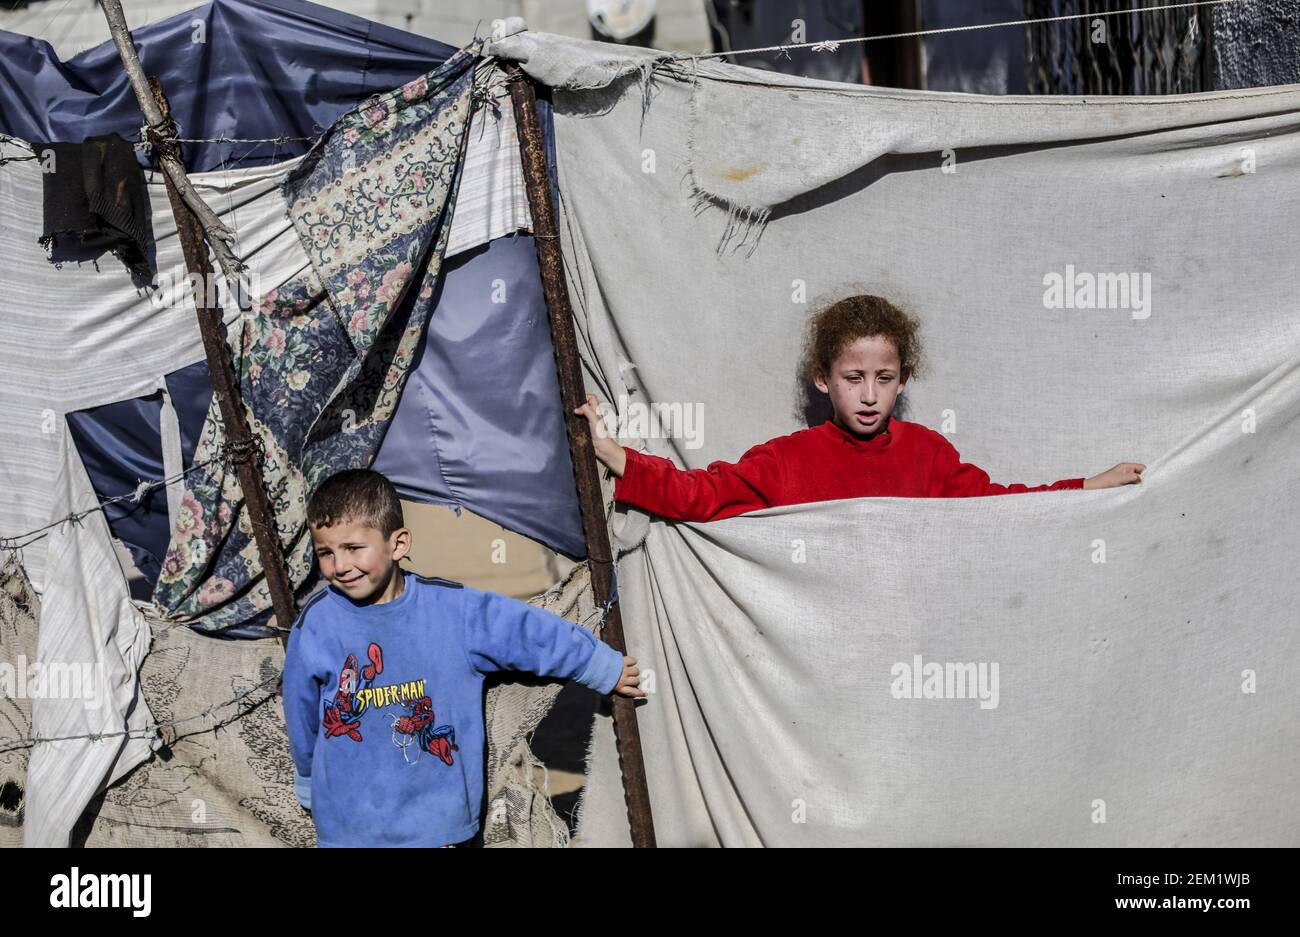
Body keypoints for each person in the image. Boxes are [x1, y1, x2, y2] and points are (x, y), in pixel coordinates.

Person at [283, 468, 643, 848]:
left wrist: (600, 666)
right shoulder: (317, 625)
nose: (339, 565)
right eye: (326, 552)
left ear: (398, 544)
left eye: (353, 548)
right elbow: (302, 713)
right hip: (350, 827)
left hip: (437, 827)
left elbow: (529, 632)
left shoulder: (454, 611)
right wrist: (307, 782)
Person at [575, 294, 1145, 522]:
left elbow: (997, 510)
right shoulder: (785, 461)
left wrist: (1087, 488)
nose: (869, 395)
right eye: (853, 378)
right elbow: (701, 495)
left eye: (884, 378)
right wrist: (616, 455)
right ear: (823, 379)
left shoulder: (929, 455)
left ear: (903, 380)